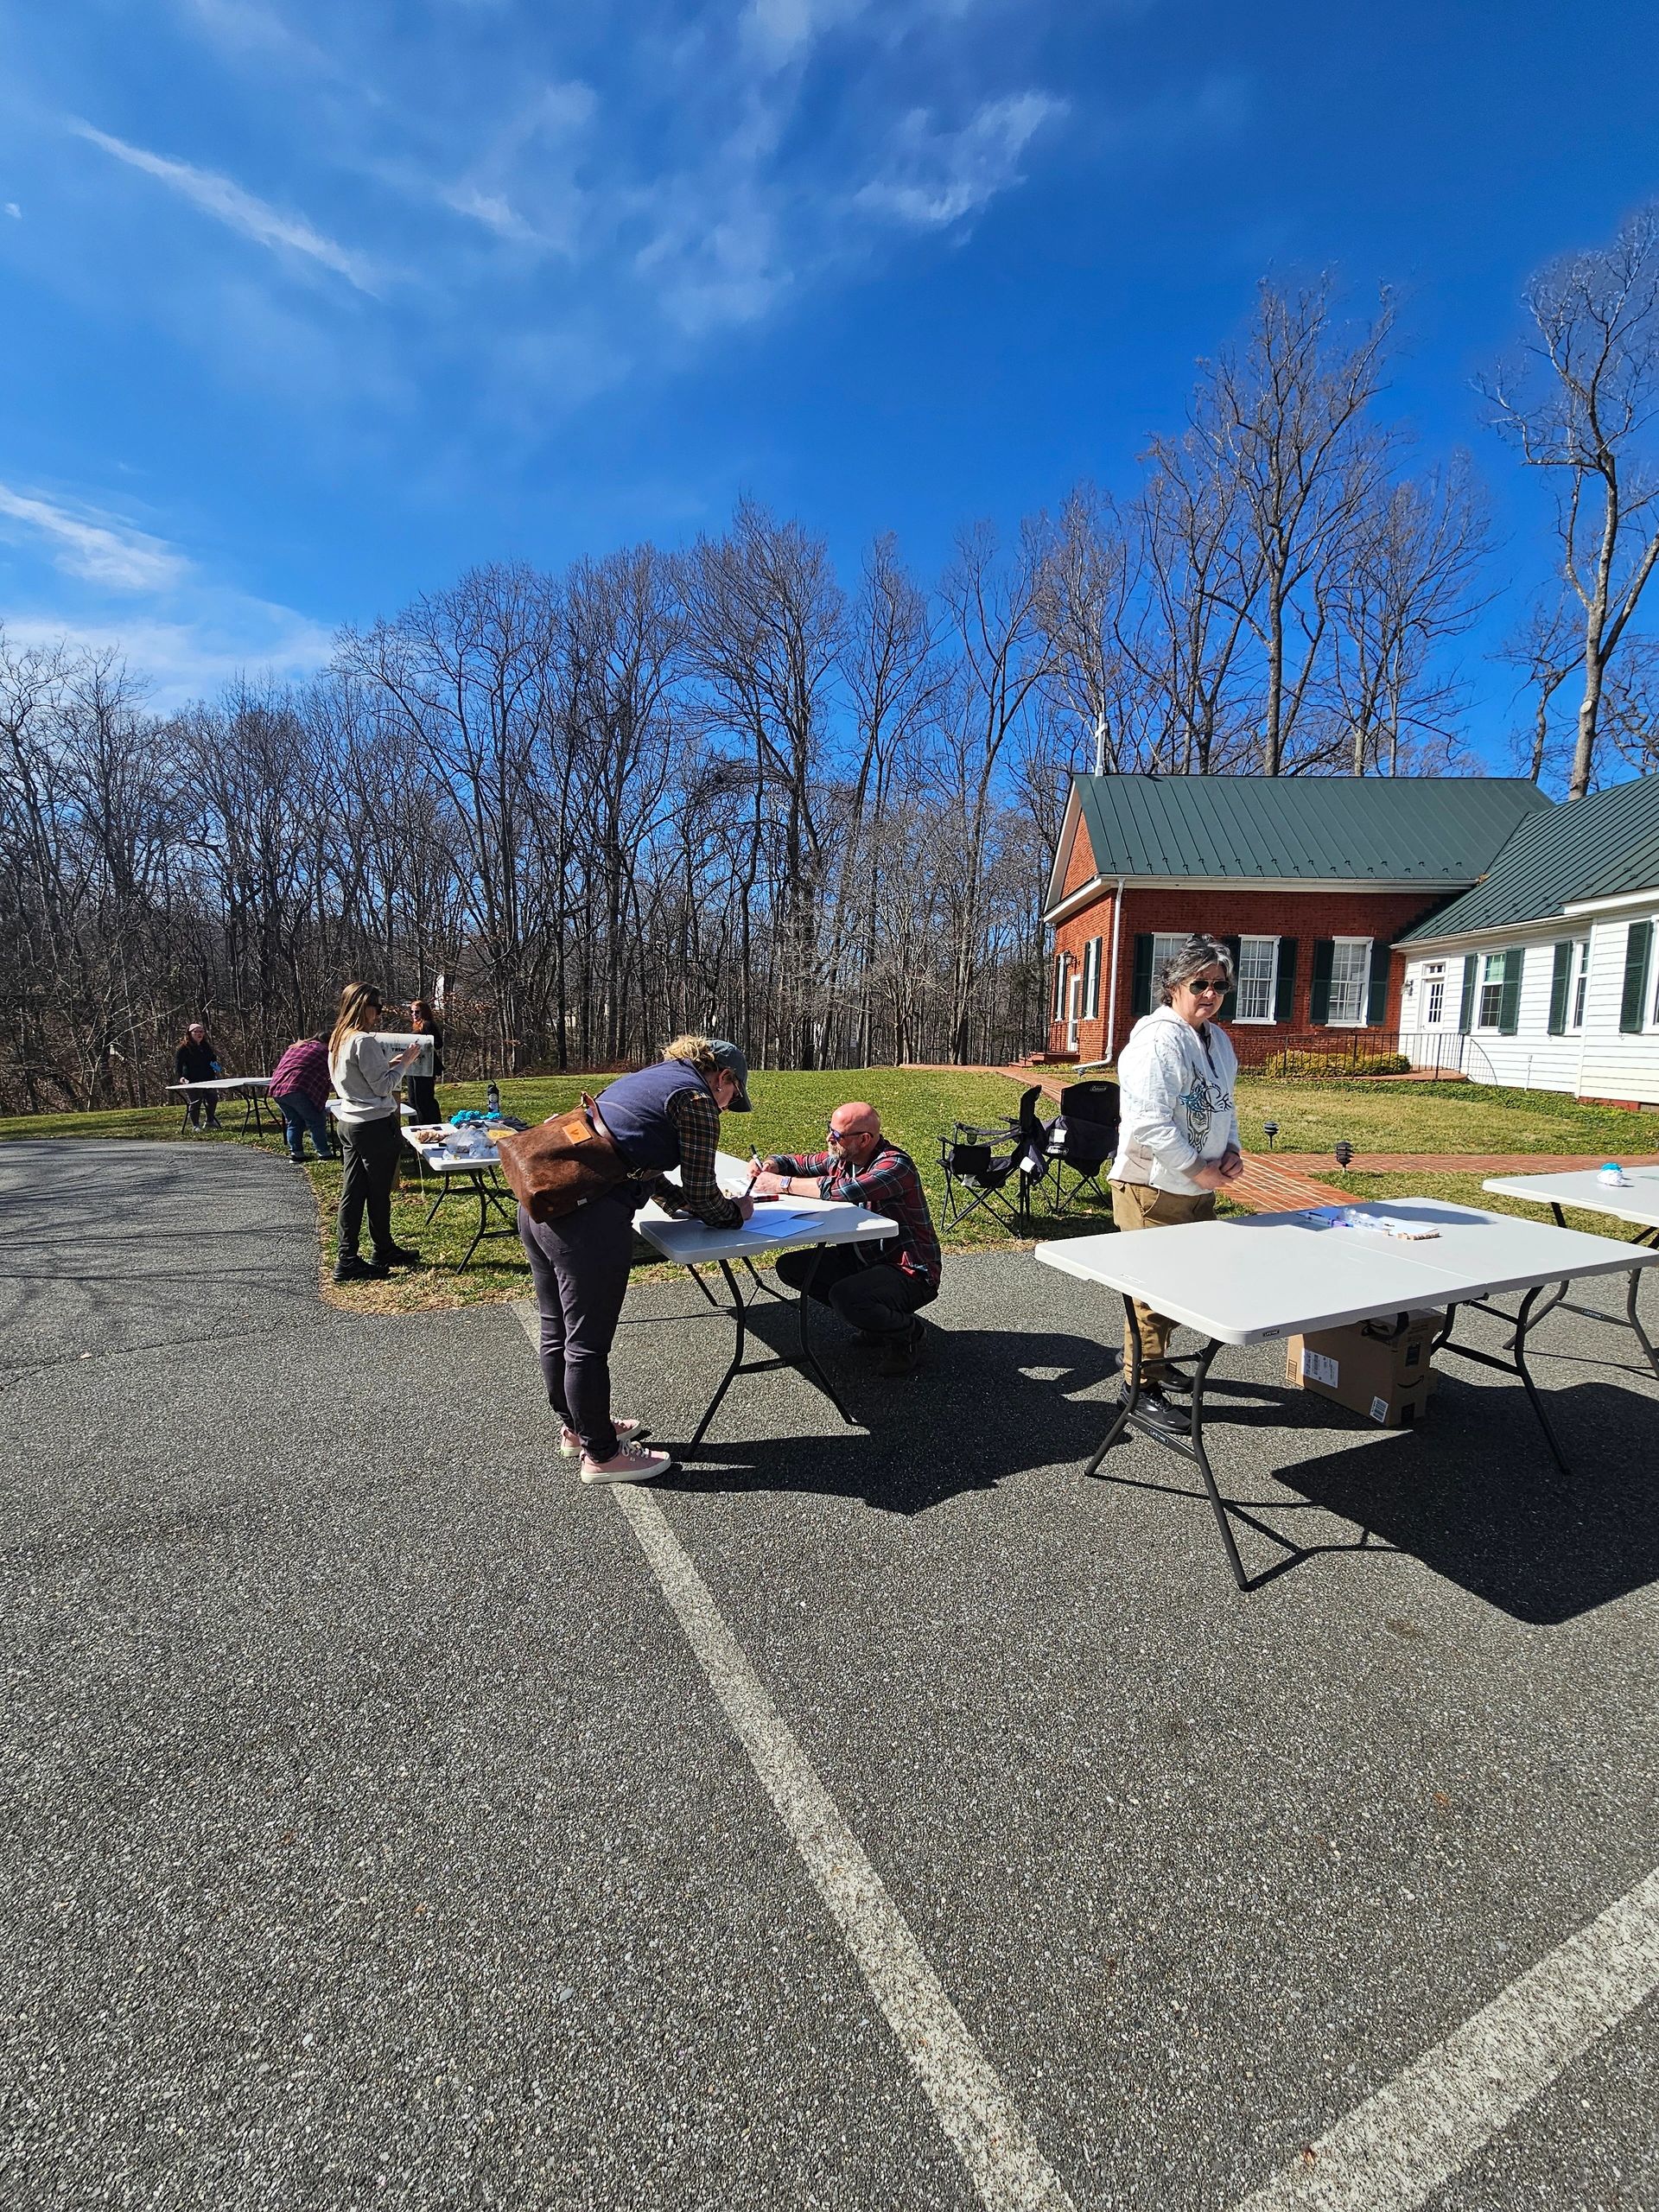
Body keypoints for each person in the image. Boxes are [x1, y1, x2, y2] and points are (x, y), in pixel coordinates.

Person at [518, 1034, 756, 1485]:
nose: (725, 1106)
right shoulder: (697, 1099)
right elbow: (706, 1194)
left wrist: (676, 1201)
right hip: (587, 1219)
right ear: (723, 1078)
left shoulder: (646, 1079)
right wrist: (735, 1213)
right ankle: (603, 1455)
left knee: (557, 1328)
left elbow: (628, 1154)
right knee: (587, 1342)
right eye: (731, 1097)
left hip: (544, 1201)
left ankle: (580, 1427)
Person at [1108, 932, 1245, 1433]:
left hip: (1196, 1186)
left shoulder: (1217, 1039)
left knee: (1180, 1285)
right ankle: (1135, 1387)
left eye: (1219, 986)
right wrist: (1197, 1167)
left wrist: (1231, 1152)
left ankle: (1155, 1364)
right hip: (1152, 1187)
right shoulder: (1157, 1039)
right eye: (1199, 983)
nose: (1209, 994)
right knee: (1149, 1290)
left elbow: (1226, 1107)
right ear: (1173, 985)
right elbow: (1149, 1122)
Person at [752, 1103, 942, 1376]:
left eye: (837, 1135)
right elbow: (795, 1162)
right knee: (792, 1268)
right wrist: (770, 1165)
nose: (829, 1138)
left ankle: (907, 1334)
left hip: (910, 1271)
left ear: (864, 1139)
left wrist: (780, 1183)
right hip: (864, 1259)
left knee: (846, 1297)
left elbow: (841, 1191)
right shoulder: (843, 1158)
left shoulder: (895, 1166)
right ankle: (875, 1324)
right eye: (830, 1130)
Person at [328, 982, 424, 1283]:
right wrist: (406, 1062)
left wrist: (393, 1062)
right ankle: (379, 1251)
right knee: (378, 1193)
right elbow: (383, 1086)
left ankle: (349, 1257)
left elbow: (364, 1077)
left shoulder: (338, 1038)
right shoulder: (363, 1041)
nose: (380, 1014)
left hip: (350, 1122)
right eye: (377, 1008)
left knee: (352, 1192)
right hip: (373, 1124)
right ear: (362, 1007)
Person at [268, 1033, 335, 1163]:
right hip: (298, 1088)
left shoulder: (297, 1047)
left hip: (278, 1087)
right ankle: (324, 1153)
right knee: (316, 1120)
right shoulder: (325, 1051)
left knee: (294, 1121)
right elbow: (335, 1071)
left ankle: (296, 1154)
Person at [174, 1022, 222, 1129]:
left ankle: (210, 1121)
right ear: (190, 1033)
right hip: (192, 1079)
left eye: (201, 1032)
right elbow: (178, 1065)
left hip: (208, 1078)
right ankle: (196, 1125)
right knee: (196, 1101)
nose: (199, 1034)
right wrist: (180, 1077)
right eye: (196, 1032)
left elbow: (212, 1060)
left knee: (213, 1098)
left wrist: (217, 1069)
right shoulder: (184, 1048)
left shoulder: (206, 1046)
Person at [407, 998, 444, 1125]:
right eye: (412, 1012)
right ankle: (415, 1124)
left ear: (424, 1012)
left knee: (423, 1098)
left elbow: (439, 1043)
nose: (414, 1015)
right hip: (414, 1066)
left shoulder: (427, 1024)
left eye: (417, 1012)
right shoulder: (416, 1025)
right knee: (413, 1099)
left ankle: (427, 1124)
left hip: (425, 1067)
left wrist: (425, 1046)